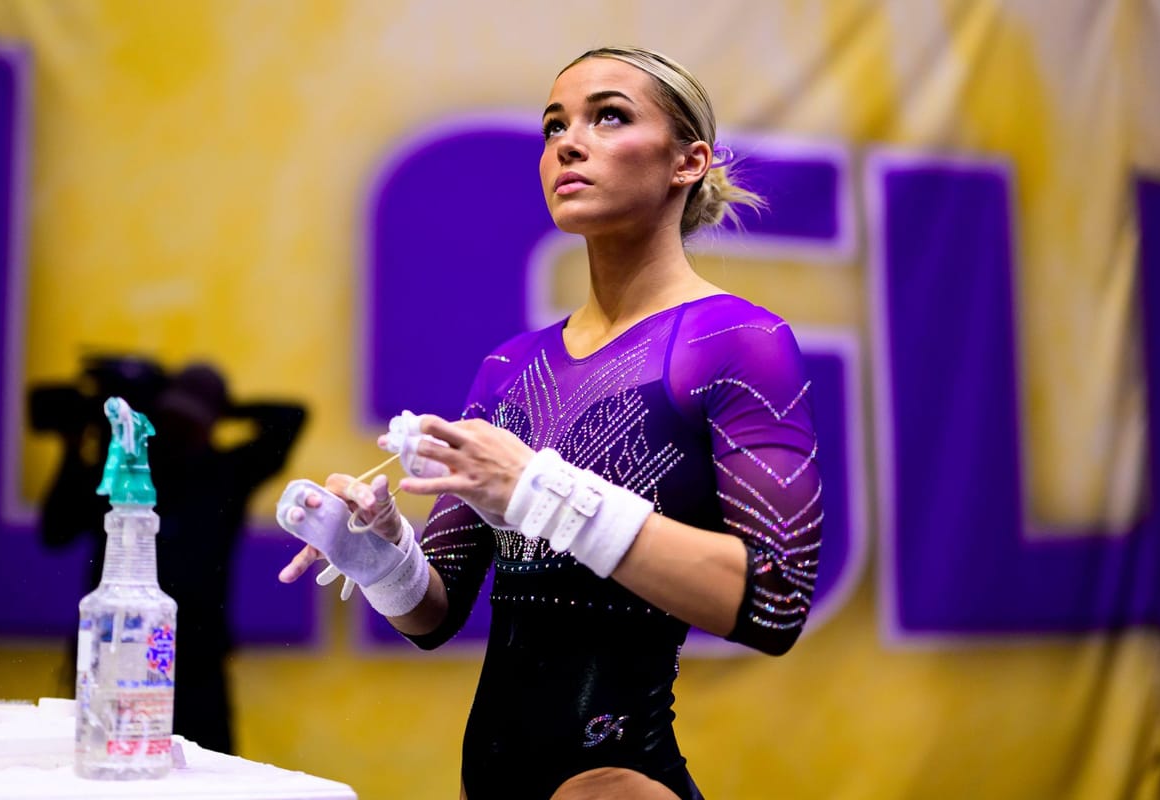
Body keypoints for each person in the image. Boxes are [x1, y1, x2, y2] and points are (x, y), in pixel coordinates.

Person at [278, 46, 823, 800]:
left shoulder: (734, 341)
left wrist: (542, 492)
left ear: (688, 161)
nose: (568, 141)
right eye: (553, 125)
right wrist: (379, 555)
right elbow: (435, 615)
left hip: (615, 780)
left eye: (609, 116)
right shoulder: (510, 368)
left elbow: (777, 601)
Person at [38, 359, 307, 755]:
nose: (181, 429)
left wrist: (216, 404)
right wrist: (75, 445)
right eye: (173, 415)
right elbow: (55, 531)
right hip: (114, 657)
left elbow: (291, 418)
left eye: (193, 419)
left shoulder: (224, 473)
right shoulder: (126, 473)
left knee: (208, 775)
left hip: (195, 661)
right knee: (104, 763)